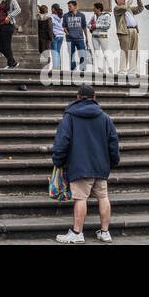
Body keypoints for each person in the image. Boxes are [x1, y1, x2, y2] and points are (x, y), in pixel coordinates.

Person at [52, 84, 120, 243]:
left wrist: (58, 160)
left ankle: (77, 233)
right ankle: (105, 232)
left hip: (80, 165)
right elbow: (113, 142)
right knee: (103, 197)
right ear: (94, 98)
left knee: (80, 198)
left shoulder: (70, 116)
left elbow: (62, 141)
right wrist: (114, 161)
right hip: (100, 165)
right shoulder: (104, 117)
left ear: (77, 97)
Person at [113, 0, 143, 74]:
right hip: (124, 32)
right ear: (117, 0)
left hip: (134, 30)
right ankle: (122, 70)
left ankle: (132, 70)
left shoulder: (128, 8)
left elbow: (140, 9)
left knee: (134, 51)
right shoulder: (117, 8)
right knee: (125, 51)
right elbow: (125, 7)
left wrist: (139, 0)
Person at [62, 1, 89, 71]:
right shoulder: (66, 16)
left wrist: (86, 38)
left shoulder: (82, 15)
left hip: (80, 38)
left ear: (75, 7)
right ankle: (73, 71)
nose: (68, 8)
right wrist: (68, 34)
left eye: (70, 6)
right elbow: (64, 27)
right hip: (70, 40)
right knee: (72, 56)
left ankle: (83, 70)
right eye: (68, 6)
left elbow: (84, 27)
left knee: (82, 54)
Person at [89, 3, 113, 72]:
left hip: (103, 36)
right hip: (94, 36)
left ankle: (110, 67)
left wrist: (96, 26)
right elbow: (88, 24)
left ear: (98, 9)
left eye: (94, 8)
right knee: (97, 53)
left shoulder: (106, 15)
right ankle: (100, 68)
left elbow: (107, 26)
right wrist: (91, 27)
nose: (93, 9)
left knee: (105, 52)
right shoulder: (94, 16)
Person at [49, 3, 65, 69]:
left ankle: (55, 67)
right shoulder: (61, 16)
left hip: (55, 35)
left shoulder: (51, 17)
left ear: (53, 9)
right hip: (61, 35)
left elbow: (50, 26)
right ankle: (59, 67)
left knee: (54, 53)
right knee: (58, 52)